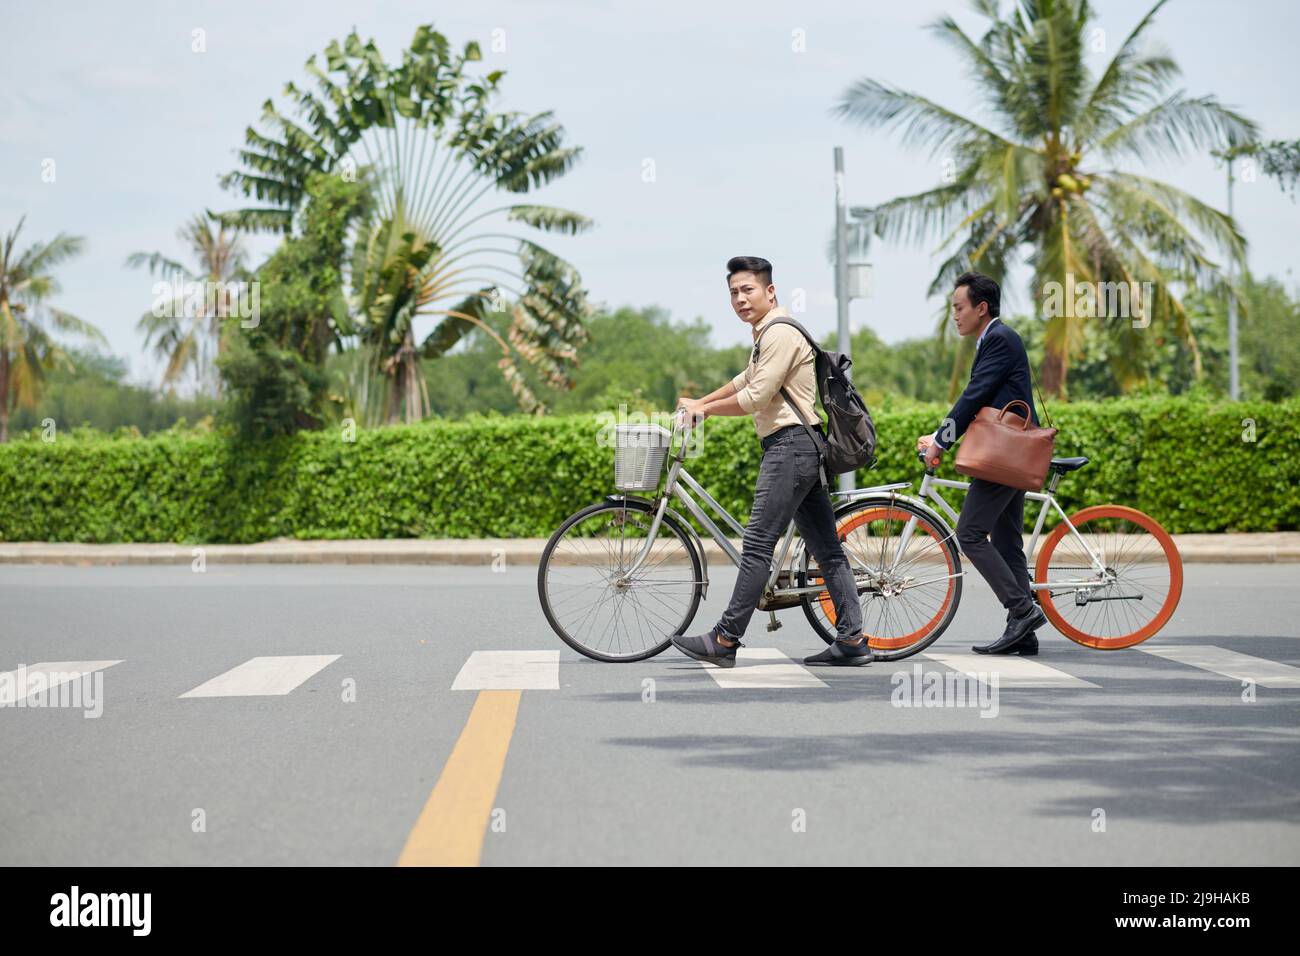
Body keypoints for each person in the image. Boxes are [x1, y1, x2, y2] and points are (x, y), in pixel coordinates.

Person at [671, 256, 870, 668]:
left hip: (791, 447)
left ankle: (726, 640)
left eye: (747, 290)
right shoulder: (767, 333)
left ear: (770, 291)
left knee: (759, 544)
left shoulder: (779, 333)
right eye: (733, 293)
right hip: (802, 446)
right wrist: (701, 401)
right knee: (828, 551)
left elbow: (755, 398)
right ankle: (852, 640)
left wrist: (704, 413)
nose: (740, 299)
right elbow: (745, 380)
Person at [917, 271, 1047, 656]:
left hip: (1006, 452)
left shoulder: (1000, 339)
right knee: (1007, 542)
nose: (954, 315)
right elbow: (981, 397)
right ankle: (1024, 633)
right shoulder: (992, 339)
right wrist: (939, 435)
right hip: (1008, 453)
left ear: (981, 307)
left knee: (970, 534)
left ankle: (1022, 610)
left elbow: (974, 395)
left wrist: (941, 439)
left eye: (959, 307)